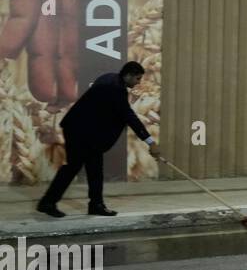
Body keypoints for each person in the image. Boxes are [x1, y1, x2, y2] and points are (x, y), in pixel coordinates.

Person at [36, 62, 160, 218]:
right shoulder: (115, 89)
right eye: (137, 78)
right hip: (79, 131)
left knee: (95, 168)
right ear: (128, 75)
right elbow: (129, 116)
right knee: (73, 167)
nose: (138, 83)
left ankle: (96, 204)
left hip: (85, 131)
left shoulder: (109, 78)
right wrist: (150, 142)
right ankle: (48, 202)